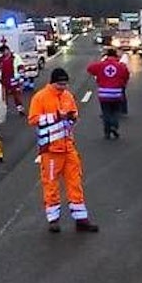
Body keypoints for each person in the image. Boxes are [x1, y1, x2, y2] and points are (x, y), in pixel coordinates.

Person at [27, 68, 100, 233]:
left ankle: (81, 219)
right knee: (51, 184)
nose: (63, 87)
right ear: (52, 83)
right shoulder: (40, 97)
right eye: (60, 84)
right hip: (50, 150)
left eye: (65, 84)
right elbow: (33, 119)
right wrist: (55, 116)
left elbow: (74, 114)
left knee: (75, 182)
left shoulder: (67, 96)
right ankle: (53, 220)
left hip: (68, 148)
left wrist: (72, 117)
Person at [86, 48, 130, 140]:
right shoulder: (121, 66)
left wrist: (99, 75)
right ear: (116, 56)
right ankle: (114, 125)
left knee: (106, 112)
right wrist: (122, 83)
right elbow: (126, 76)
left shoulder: (101, 65)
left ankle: (107, 132)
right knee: (115, 111)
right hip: (117, 93)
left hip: (104, 93)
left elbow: (89, 68)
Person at [0, 45, 24, 116]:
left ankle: (20, 109)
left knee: (16, 95)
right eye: (2, 52)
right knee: (4, 96)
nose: (3, 53)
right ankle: (4, 110)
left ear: (8, 50)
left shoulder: (15, 57)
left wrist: (21, 77)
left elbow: (21, 66)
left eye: (4, 51)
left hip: (13, 79)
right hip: (4, 79)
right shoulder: (1, 59)